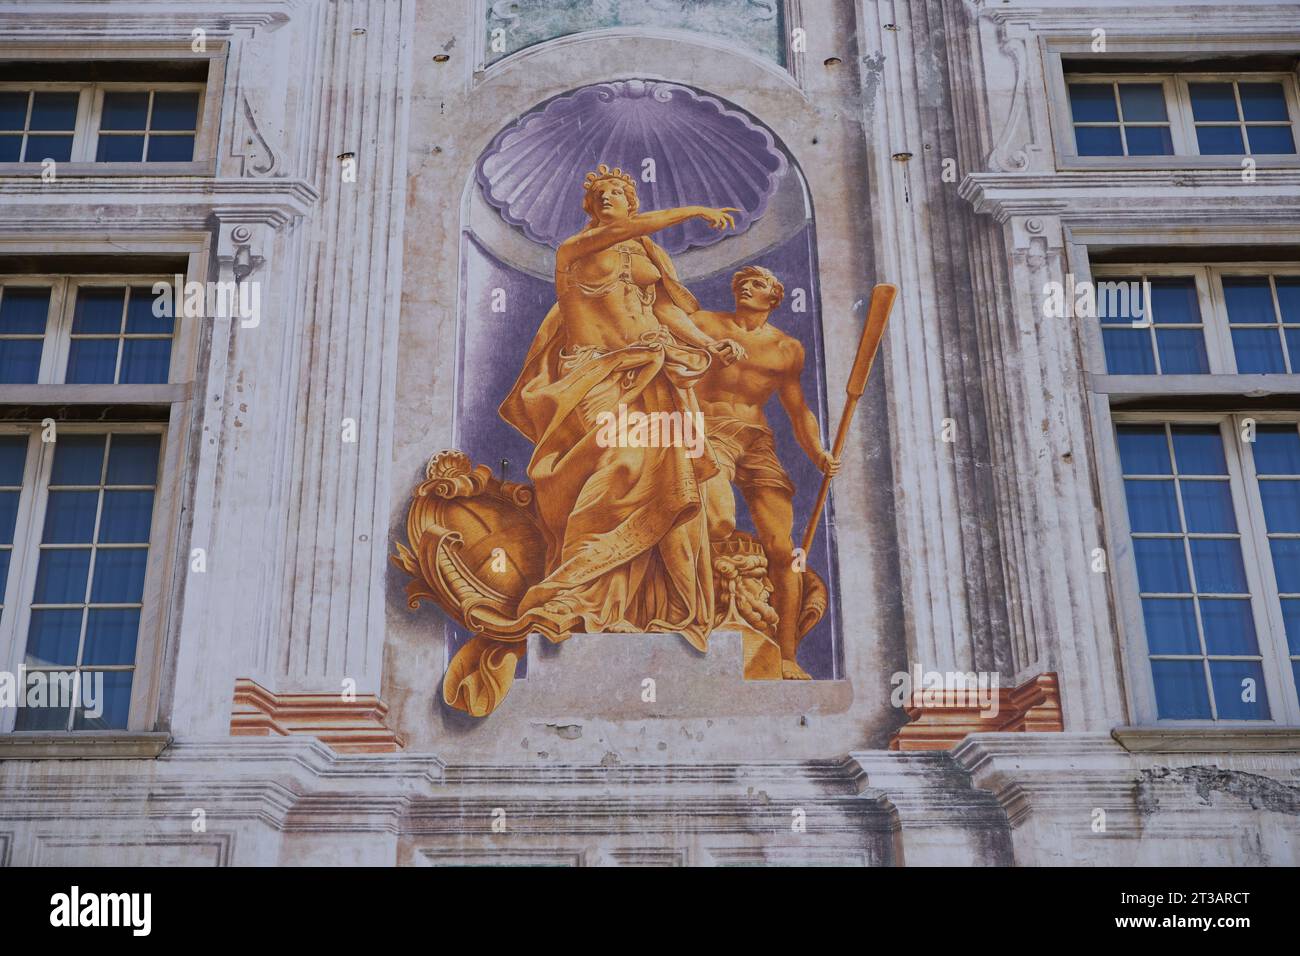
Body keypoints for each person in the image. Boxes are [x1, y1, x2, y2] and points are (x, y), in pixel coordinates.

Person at [692, 266, 840, 679]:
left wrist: (818, 453)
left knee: (782, 549)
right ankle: (695, 621)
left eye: (756, 283)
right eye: (742, 282)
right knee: (718, 522)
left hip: (756, 440)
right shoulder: (704, 322)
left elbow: (798, 410)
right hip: (706, 431)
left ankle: (786, 656)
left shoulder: (785, 349)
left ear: (775, 297)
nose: (745, 286)